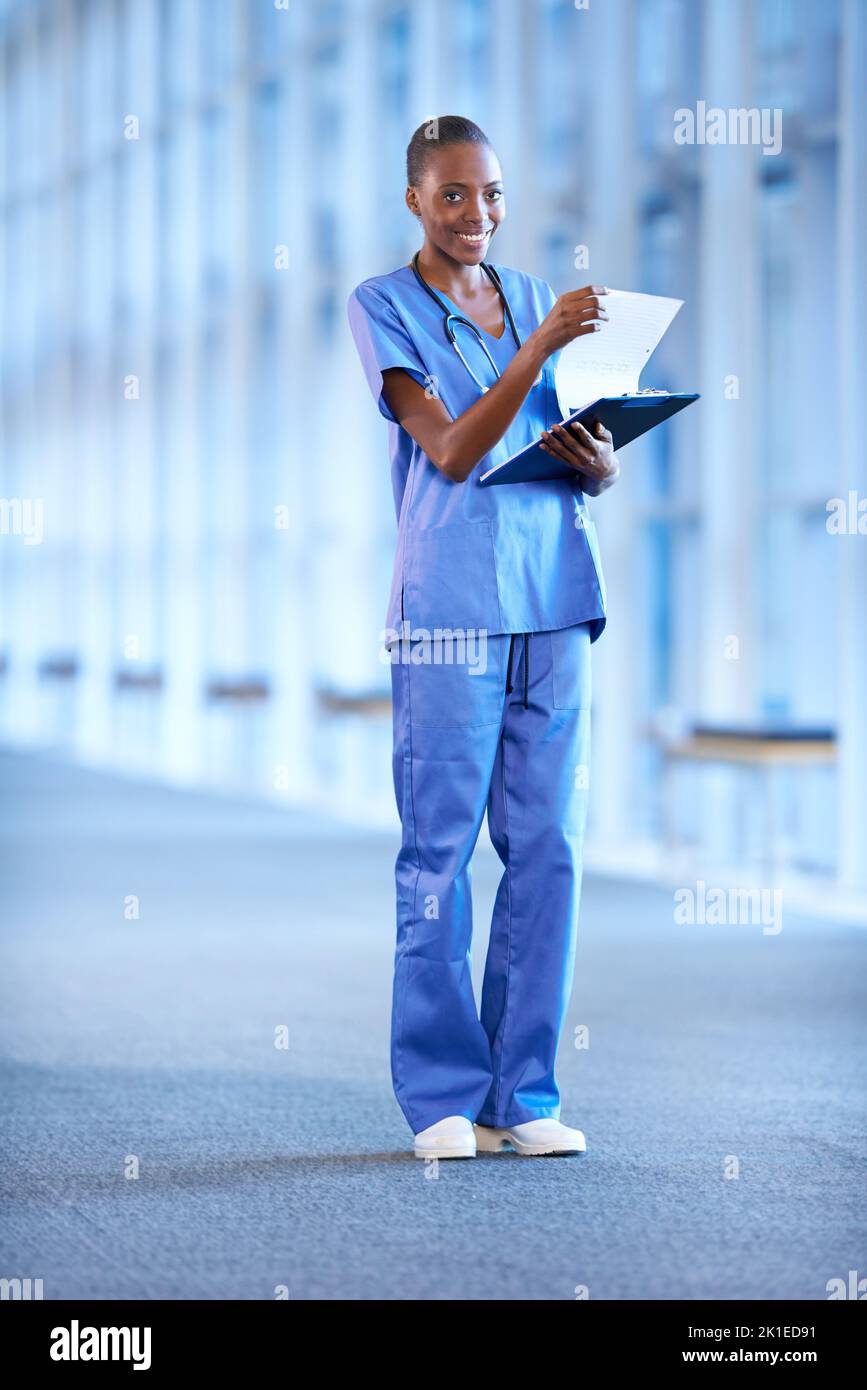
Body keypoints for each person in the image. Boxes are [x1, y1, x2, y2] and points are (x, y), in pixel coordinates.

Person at [347, 115, 619, 1160]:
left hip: (551, 592)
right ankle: (442, 1096)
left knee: (549, 848)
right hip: (451, 604)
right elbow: (455, 449)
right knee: (440, 852)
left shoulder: (533, 297)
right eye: (454, 195)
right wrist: (541, 347)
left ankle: (526, 1093)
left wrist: (598, 461)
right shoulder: (384, 306)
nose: (479, 215)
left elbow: (572, 444)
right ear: (416, 197)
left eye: (492, 194)